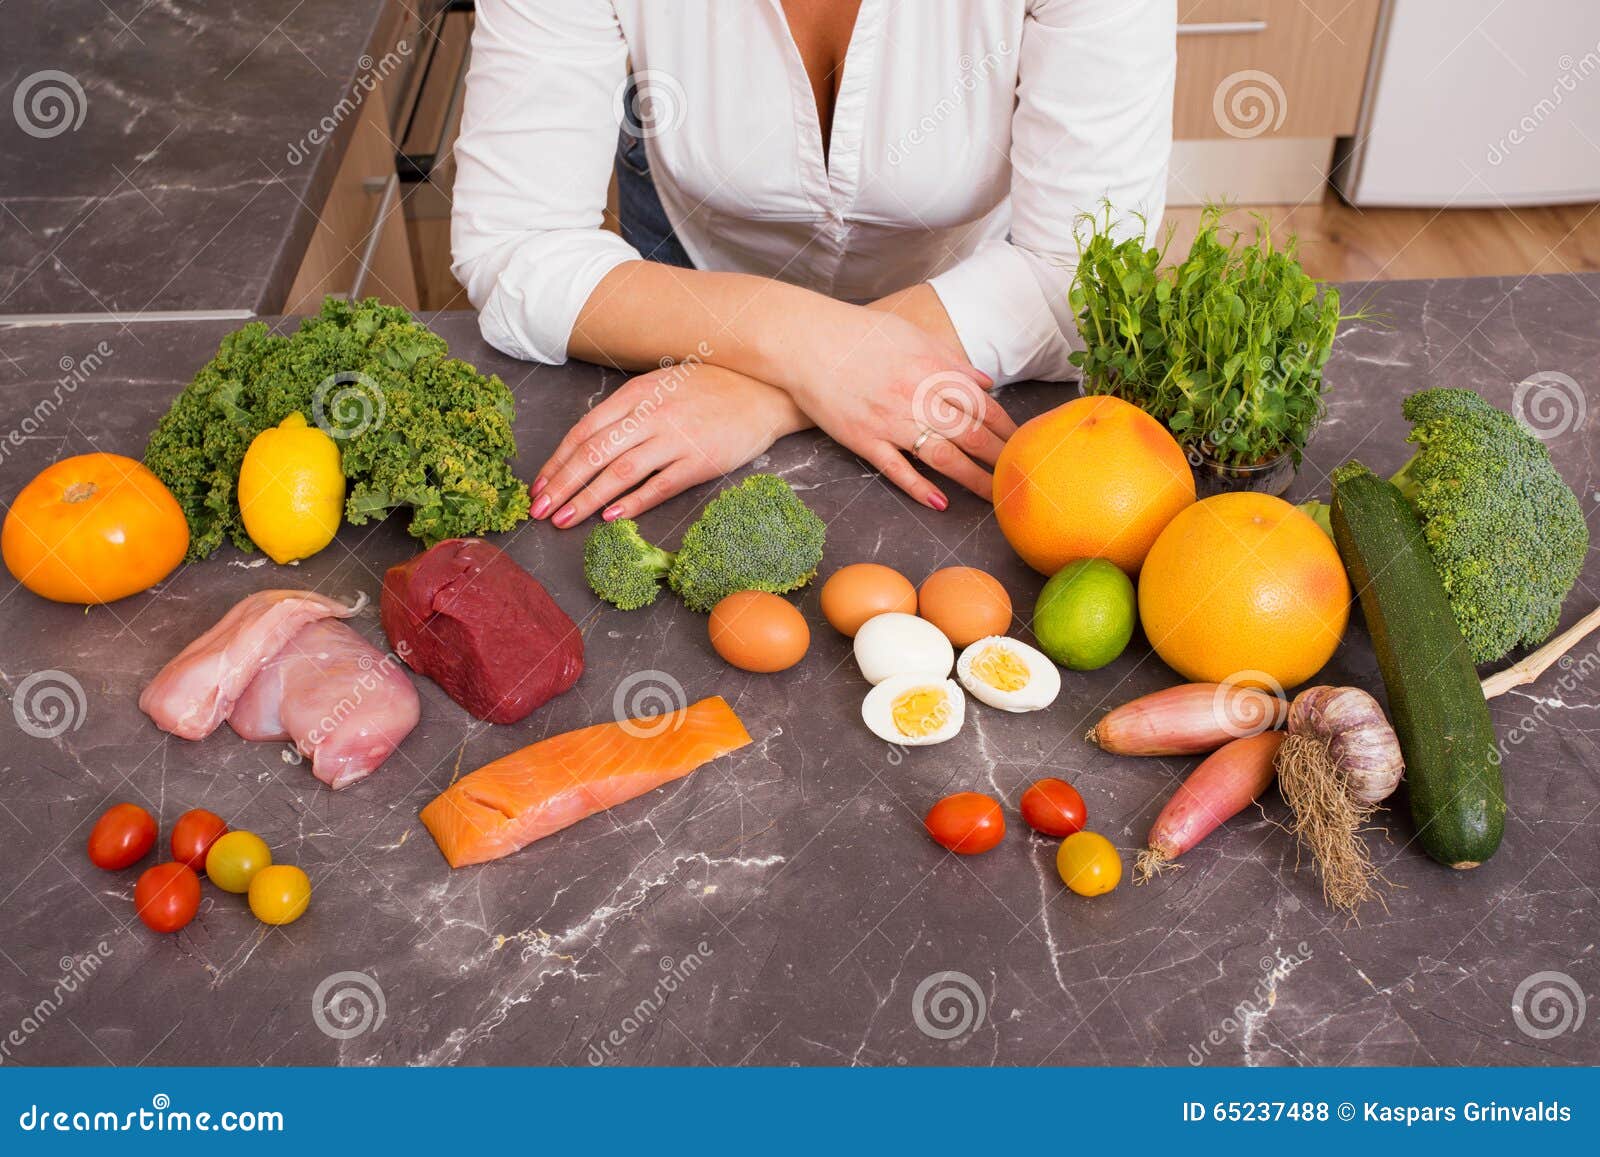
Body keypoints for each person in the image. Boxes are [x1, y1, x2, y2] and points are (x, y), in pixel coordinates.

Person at [451, 0, 1175, 528]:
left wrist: (766, 394)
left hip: (971, 300)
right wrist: (802, 346)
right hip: (689, 272)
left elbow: (1085, 276)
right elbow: (515, 241)